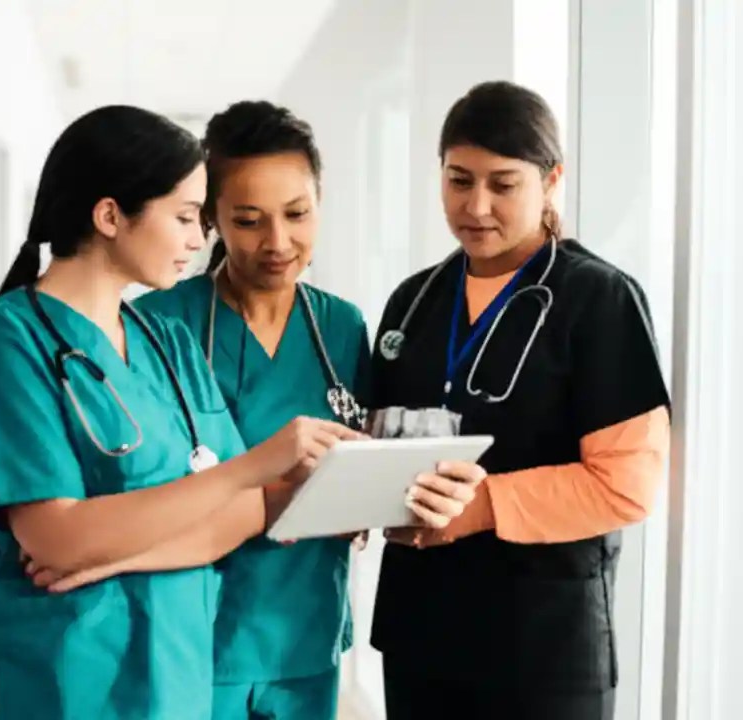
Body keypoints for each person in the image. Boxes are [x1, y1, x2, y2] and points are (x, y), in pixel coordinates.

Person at [0, 105, 365, 720]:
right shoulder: (5, 344)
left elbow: (245, 514)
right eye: (188, 217)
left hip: (175, 675)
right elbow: (55, 540)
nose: (200, 241)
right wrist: (251, 467)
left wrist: (111, 550)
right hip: (69, 679)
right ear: (111, 215)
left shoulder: (162, 344)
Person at [134, 100, 482, 720]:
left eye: (297, 214)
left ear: (321, 202)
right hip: (194, 634)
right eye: (248, 220)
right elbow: (139, 491)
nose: (278, 243)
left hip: (306, 632)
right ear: (211, 217)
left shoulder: (341, 326)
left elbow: (366, 460)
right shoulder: (161, 324)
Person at [370, 81, 672, 720]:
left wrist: (479, 508)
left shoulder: (600, 300)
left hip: (542, 649)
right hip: (421, 634)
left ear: (551, 179)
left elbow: (628, 486)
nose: (476, 206)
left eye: (503, 184)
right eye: (459, 180)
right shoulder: (414, 302)